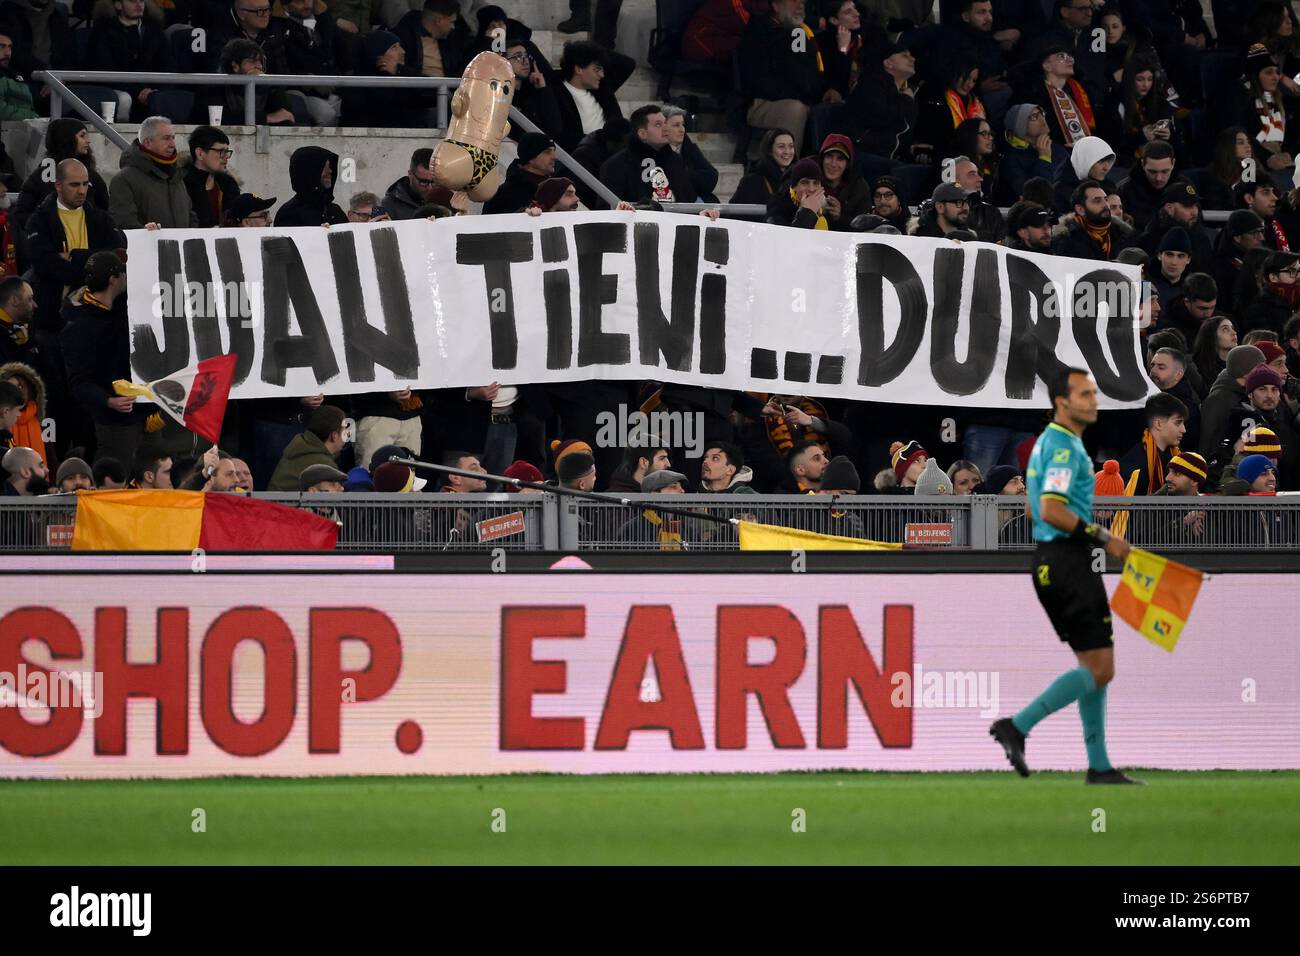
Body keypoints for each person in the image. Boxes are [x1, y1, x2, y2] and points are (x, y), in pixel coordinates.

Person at [989, 368, 1137, 785]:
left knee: (1095, 664)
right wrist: (1104, 537)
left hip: (1054, 559)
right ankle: (1017, 726)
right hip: (1068, 561)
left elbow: (1036, 508)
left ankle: (1100, 766)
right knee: (1100, 667)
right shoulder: (1062, 447)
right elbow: (1051, 510)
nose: (1094, 400)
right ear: (1061, 402)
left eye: (1094, 393)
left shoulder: (1049, 444)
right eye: (1085, 394)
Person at [60, 252, 153, 467]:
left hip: (148, 412)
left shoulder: (122, 305)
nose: (127, 277)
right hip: (116, 421)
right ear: (114, 279)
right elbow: (78, 381)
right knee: (115, 483)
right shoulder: (77, 328)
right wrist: (108, 401)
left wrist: (150, 237)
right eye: (123, 273)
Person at [25, 159, 126, 338]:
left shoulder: (101, 219)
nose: (81, 191)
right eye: (74, 185)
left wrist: (74, 255)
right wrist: (95, 273)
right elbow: (46, 266)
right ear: (58, 185)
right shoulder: (39, 220)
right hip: (54, 320)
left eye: (85, 184)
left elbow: (118, 256)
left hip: (101, 317)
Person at [739, 0, 833, 155]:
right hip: (761, 102)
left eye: (802, 1)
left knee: (828, 110)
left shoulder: (800, 34)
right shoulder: (759, 29)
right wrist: (798, 95)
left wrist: (824, 91)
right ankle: (788, 172)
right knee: (795, 109)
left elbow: (810, 74)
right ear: (776, 5)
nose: (800, 5)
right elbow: (757, 80)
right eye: (793, 1)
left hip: (801, 99)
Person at [84, 0, 172, 124]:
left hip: (149, 89)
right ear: (118, 5)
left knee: (163, 98)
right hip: (116, 87)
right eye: (132, 1)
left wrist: (154, 89)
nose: (139, 4)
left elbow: (166, 64)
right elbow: (104, 69)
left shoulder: (154, 29)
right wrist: (138, 91)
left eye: (141, 1)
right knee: (124, 99)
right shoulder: (103, 31)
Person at [108, 116, 197, 230]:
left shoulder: (176, 175)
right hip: (146, 246)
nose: (172, 145)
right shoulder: (124, 179)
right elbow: (123, 223)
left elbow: (190, 215)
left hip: (180, 247)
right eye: (166, 139)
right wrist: (145, 231)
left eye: (173, 138)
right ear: (148, 142)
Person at [599, 105, 697, 205]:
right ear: (642, 134)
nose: (666, 128)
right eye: (658, 125)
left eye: (665, 123)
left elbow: (689, 200)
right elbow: (606, 209)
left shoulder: (676, 160)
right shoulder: (616, 165)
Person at [848, 41, 924, 163]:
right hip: (865, 157)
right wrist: (905, 100)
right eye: (904, 55)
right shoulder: (871, 84)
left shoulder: (904, 93)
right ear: (888, 63)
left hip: (889, 158)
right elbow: (879, 118)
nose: (912, 59)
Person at [195, 38, 296, 127]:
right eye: (252, 61)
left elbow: (286, 118)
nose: (259, 66)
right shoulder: (212, 87)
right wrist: (266, 118)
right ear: (235, 66)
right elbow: (219, 119)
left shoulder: (269, 88)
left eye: (260, 61)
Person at [553, 40, 622, 153]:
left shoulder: (602, 90)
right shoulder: (557, 91)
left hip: (610, 151)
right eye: (597, 69)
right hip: (581, 153)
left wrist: (591, 50)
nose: (602, 75)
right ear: (579, 69)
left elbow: (627, 63)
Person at [1199, 344, 1267, 458]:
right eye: (1260, 366)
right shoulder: (1219, 400)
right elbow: (1208, 442)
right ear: (1245, 371)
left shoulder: (1242, 393)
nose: (1265, 371)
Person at [1117, 392, 1188, 495]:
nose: (1183, 429)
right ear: (1158, 424)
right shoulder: (1134, 464)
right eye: (1178, 422)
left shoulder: (1178, 456)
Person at [267, 404, 347, 491]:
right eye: (344, 432)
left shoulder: (302, 446)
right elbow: (334, 500)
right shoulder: (323, 465)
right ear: (334, 435)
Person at [1051, 179, 1133, 261]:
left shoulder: (1122, 233)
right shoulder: (1066, 240)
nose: (1106, 205)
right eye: (1097, 201)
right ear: (1080, 210)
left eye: (1106, 200)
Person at [483, 133, 556, 215]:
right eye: (547, 152)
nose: (554, 157)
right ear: (531, 157)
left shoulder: (558, 189)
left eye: (554, 151)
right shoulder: (505, 194)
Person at [181, 126, 239, 229]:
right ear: (200, 153)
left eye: (227, 151)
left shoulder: (229, 185)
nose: (226, 157)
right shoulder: (181, 185)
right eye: (221, 151)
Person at [1210, 210, 1266, 315]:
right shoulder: (1221, 269)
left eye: (1261, 231)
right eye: (1254, 233)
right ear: (1237, 237)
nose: (1261, 238)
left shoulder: (1262, 260)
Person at [997, 104, 1054, 206]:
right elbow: (1035, 197)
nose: (1043, 120)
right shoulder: (1010, 160)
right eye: (1034, 117)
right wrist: (1044, 159)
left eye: (1042, 114)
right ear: (1020, 126)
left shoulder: (1059, 149)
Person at [273, 146, 346, 226]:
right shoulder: (288, 214)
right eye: (326, 167)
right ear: (312, 171)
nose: (330, 171)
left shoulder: (335, 211)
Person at [662, 104, 719, 204]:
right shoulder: (655, 151)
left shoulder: (688, 146)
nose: (682, 129)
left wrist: (684, 177)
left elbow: (712, 176)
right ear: (663, 128)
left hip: (693, 200)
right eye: (676, 125)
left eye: (682, 124)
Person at [817, 134, 870, 229]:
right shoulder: (807, 179)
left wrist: (840, 218)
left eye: (840, 158)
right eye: (829, 156)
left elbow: (864, 227)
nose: (833, 164)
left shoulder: (859, 187)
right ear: (822, 159)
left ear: (847, 164)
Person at [729, 128, 795, 204]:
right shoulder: (752, 181)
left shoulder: (799, 179)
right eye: (781, 146)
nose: (787, 151)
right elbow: (735, 211)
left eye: (791, 146)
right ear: (769, 150)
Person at [379, 148, 439, 220]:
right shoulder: (388, 205)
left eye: (434, 182)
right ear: (410, 174)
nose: (430, 188)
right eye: (423, 182)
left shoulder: (447, 198)